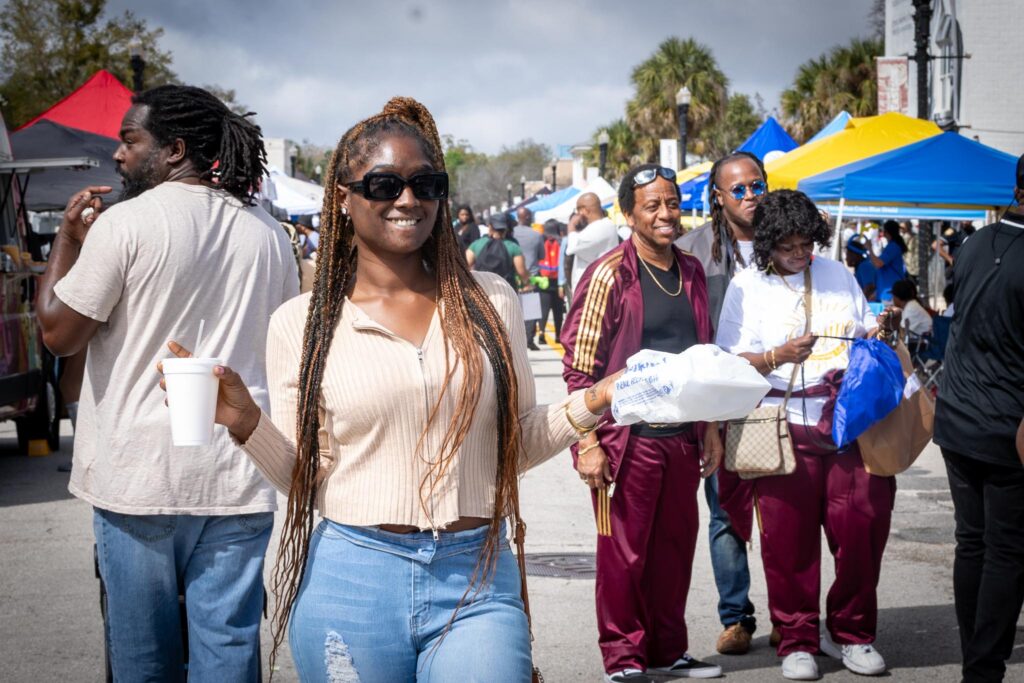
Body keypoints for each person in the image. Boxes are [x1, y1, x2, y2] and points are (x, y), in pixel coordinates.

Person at [164, 97, 622, 681]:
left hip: (475, 576)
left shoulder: (490, 301)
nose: (407, 200)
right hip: (352, 576)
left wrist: (597, 398)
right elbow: (308, 478)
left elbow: (516, 447)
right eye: (383, 184)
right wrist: (247, 422)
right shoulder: (302, 323)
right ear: (344, 197)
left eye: (425, 184)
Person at [36, 84, 299, 680]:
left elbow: (58, 334)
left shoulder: (125, 224)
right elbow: (285, 348)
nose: (119, 156)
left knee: (142, 659)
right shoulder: (268, 235)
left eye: (131, 141)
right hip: (236, 476)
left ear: (174, 148)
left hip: (138, 480)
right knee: (229, 652)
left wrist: (65, 241)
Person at [717, 189, 897, 681]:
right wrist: (777, 355)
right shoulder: (746, 286)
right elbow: (728, 357)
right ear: (767, 244)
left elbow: (861, 331)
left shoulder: (837, 272)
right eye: (787, 247)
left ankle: (853, 633)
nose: (799, 255)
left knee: (862, 526)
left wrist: (879, 329)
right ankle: (796, 637)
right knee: (787, 540)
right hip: (783, 427)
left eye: (805, 245)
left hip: (847, 423)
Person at [562, 164, 723, 683]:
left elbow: (703, 354)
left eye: (671, 203)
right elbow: (579, 369)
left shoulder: (692, 271)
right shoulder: (611, 273)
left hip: (681, 438)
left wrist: (712, 428)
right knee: (624, 557)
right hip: (626, 441)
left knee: (674, 551)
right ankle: (624, 659)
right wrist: (587, 443)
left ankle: (668, 651)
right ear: (628, 215)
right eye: (651, 206)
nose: (665, 214)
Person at [934, 153, 1024, 683]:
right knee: (1006, 549)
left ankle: (978, 657)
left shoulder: (974, 244)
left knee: (973, 541)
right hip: (1006, 424)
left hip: (958, 416)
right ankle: (983, 666)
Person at [676, 150, 767, 655]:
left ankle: (799, 618)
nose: (751, 196)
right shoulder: (695, 250)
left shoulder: (788, 243)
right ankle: (737, 617)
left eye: (758, 186)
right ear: (718, 195)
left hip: (784, 400)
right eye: (740, 189)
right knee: (725, 513)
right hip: (722, 404)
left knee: (785, 515)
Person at [565, 192, 619, 295]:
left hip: (594, 293)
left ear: (584, 210)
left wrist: (571, 225)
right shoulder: (600, 226)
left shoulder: (601, 227)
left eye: (578, 211)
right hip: (590, 291)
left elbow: (571, 248)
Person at [514, 206, 544, 346]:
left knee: (514, 309)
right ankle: (529, 339)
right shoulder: (536, 235)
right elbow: (541, 256)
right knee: (530, 311)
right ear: (526, 217)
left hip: (514, 276)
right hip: (531, 275)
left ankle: (516, 338)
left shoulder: (511, 233)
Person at [536, 219, 565, 345]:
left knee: (544, 309)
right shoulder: (561, 242)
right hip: (558, 281)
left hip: (544, 280)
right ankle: (558, 335)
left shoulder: (541, 241)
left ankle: (542, 333)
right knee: (558, 310)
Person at [869, 220, 908, 302]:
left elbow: (878, 264)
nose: (883, 234)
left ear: (887, 232)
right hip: (886, 289)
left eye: (884, 231)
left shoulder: (893, 247)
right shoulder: (892, 246)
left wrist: (869, 248)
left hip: (890, 291)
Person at [845, 233, 878, 302]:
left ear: (855, 255)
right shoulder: (861, 266)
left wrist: (859, 303)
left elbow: (869, 287)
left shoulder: (864, 266)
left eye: (848, 254)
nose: (846, 258)